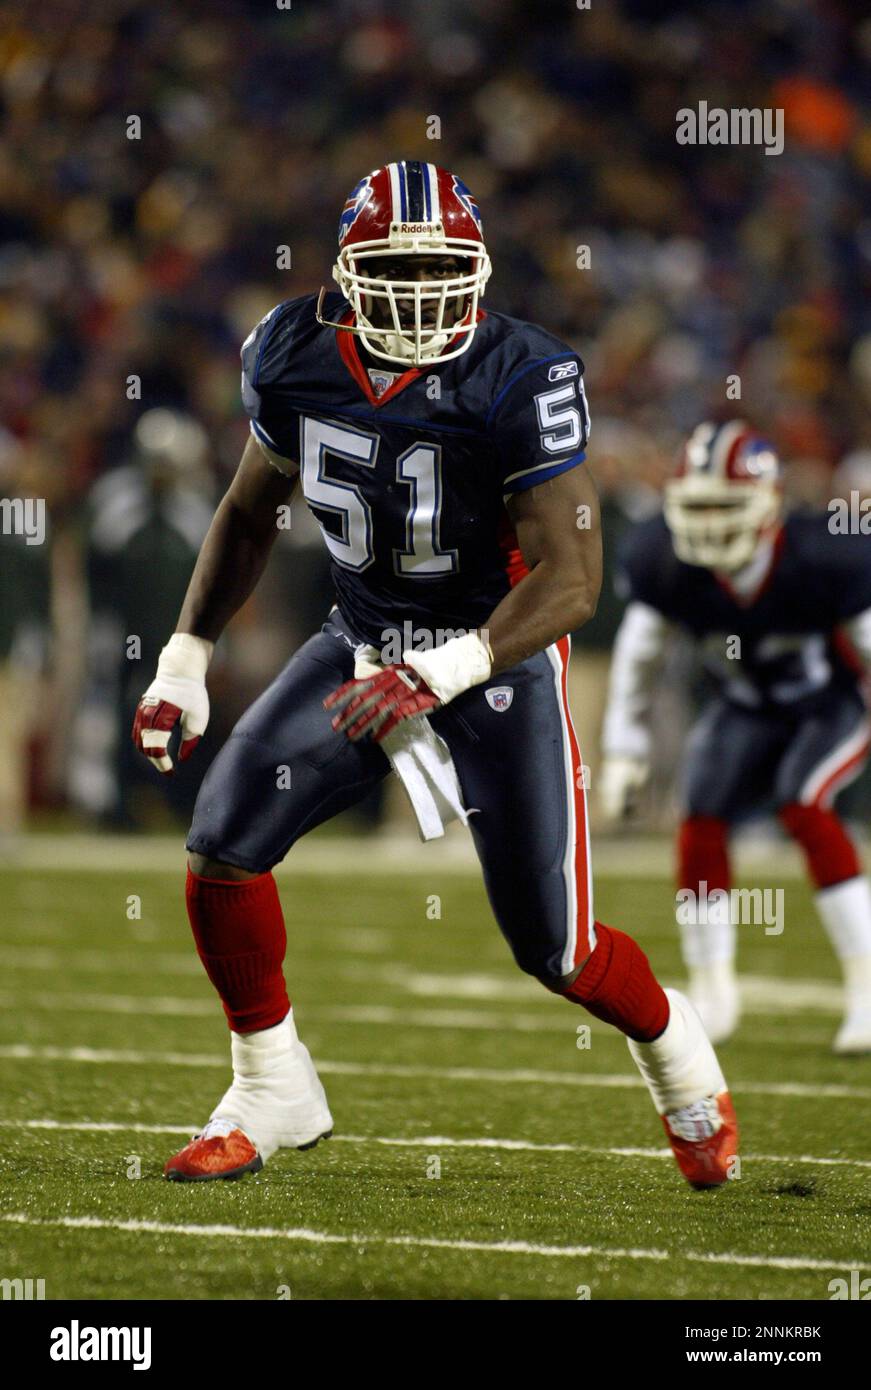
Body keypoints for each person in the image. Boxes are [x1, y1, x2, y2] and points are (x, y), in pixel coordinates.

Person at [133, 161, 737, 1186]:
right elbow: (247, 509)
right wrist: (186, 656)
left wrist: (446, 669)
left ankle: (681, 1062)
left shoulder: (522, 372)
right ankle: (272, 1084)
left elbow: (572, 575)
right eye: (394, 266)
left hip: (492, 653)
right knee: (223, 843)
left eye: (436, 266)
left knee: (557, 949)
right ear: (346, 274)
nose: (417, 289)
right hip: (364, 640)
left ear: (478, 267)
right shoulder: (291, 351)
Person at [600, 420, 871, 1053]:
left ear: (768, 504)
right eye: (698, 507)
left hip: (825, 704)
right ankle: (714, 987)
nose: (710, 523)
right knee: (699, 817)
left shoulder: (826, 555)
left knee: (803, 803)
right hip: (743, 704)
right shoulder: (664, 560)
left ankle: (865, 983)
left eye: (726, 505)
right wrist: (624, 750)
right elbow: (639, 658)